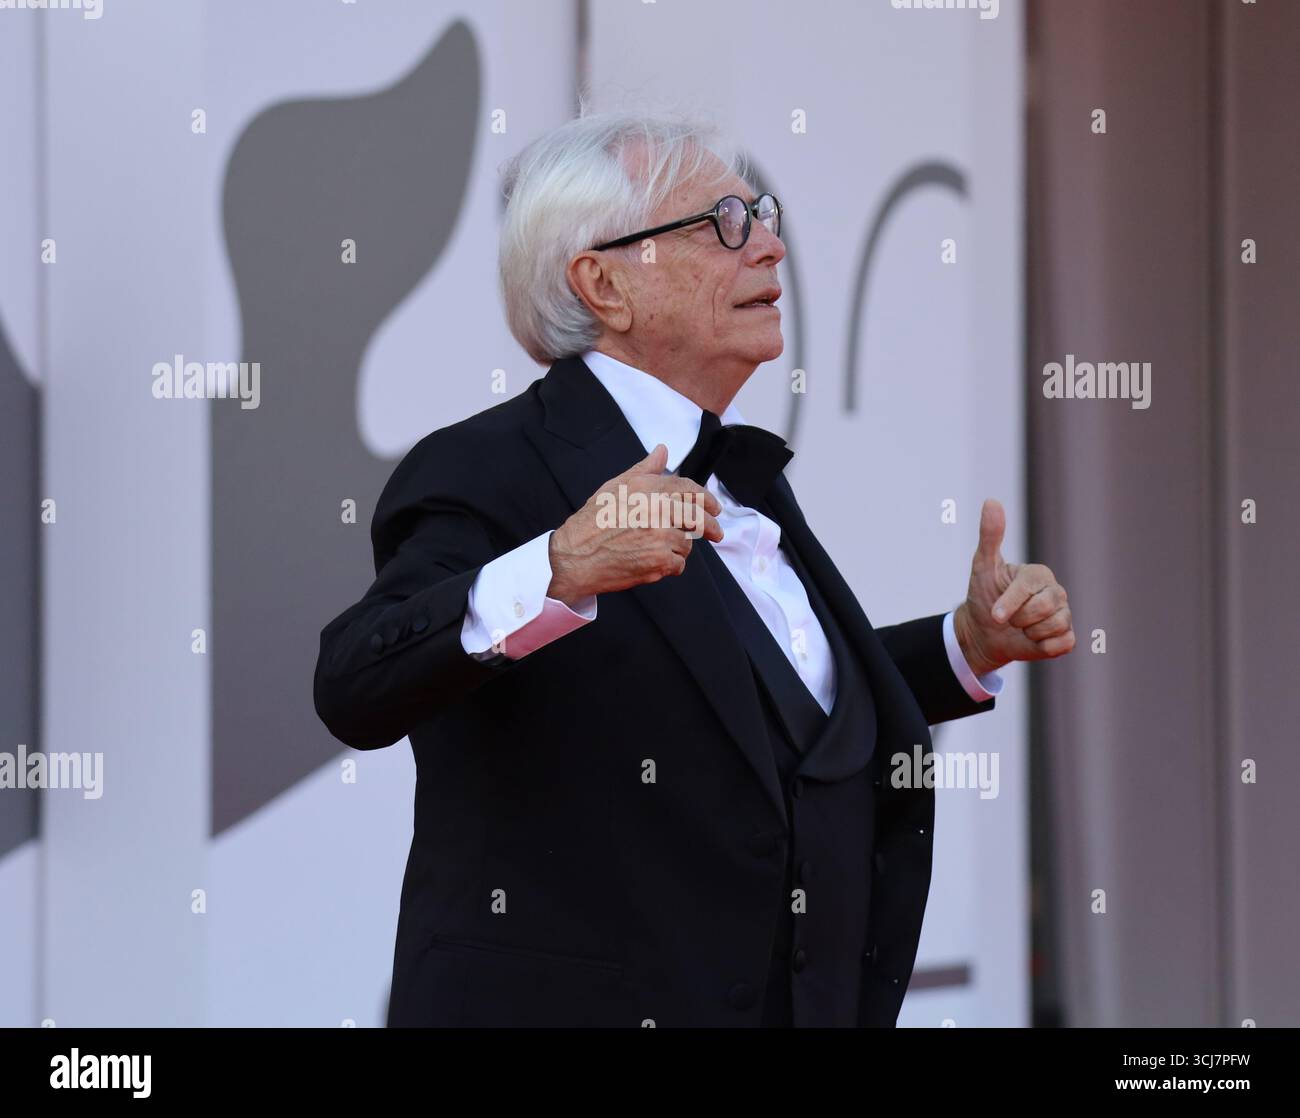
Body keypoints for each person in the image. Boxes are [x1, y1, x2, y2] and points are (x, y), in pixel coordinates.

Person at [313, 110, 1074, 1027]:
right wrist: (559, 568)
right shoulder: (487, 466)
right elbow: (355, 680)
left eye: (762, 213)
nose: (771, 248)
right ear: (603, 284)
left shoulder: (741, 477)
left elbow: (767, 717)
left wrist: (965, 644)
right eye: (723, 221)